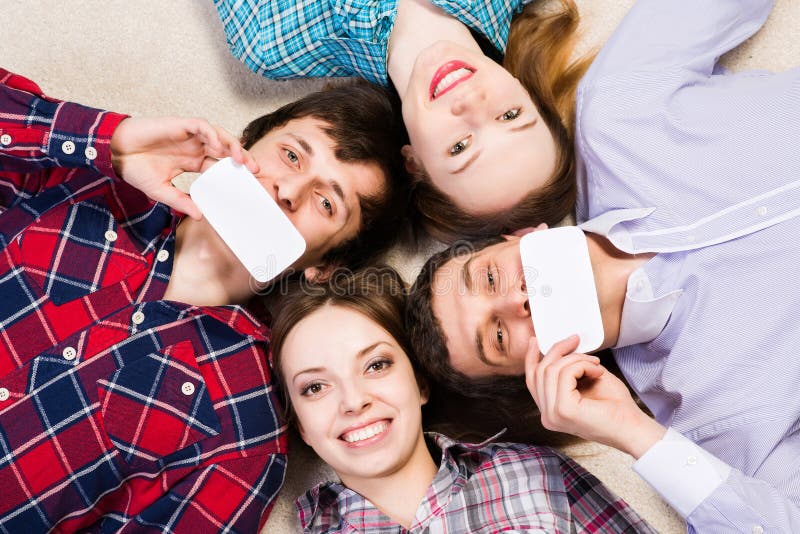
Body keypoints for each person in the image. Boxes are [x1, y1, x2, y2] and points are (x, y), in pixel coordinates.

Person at [405, 0, 800, 530]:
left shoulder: (615, 114)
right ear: (535, 377)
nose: (514, 300)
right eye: (498, 335)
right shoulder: (715, 428)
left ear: (522, 235)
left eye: (491, 277)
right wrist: (631, 432)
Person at [0, 68, 406, 532]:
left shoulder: (245, 433)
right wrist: (113, 142)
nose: (289, 192)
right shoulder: (95, 173)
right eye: (291, 155)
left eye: (327, 203)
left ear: (325, 267)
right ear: (246, 143)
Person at [268, 268, 654, 533]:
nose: (353, 401)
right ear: (300, 423)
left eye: (376, 365)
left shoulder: (536, 473)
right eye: (315, 387)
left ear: (420, 382)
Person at [214, 0, 592, 240]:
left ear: (413, 162)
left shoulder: (270, 42)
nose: (471, 103)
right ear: (527, 92)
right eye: (510, 115)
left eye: (459, 147)